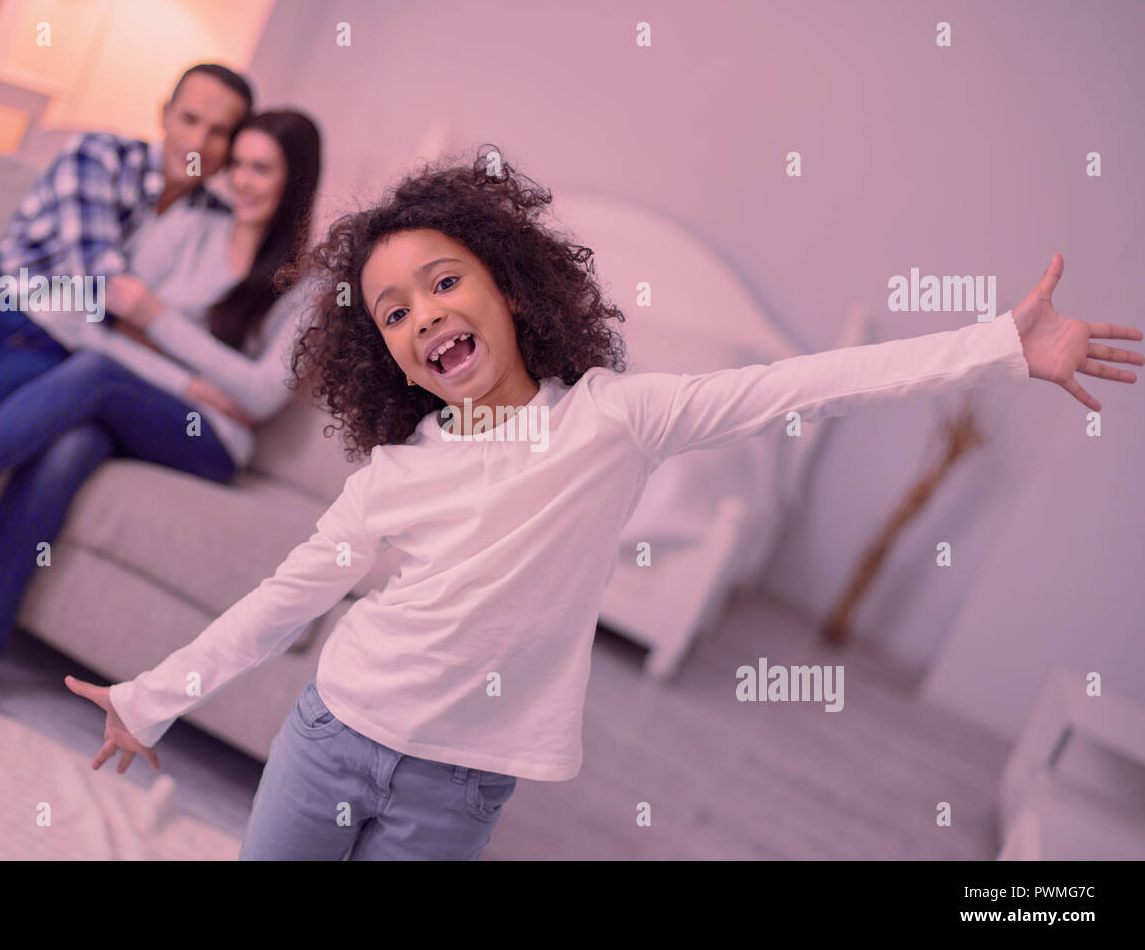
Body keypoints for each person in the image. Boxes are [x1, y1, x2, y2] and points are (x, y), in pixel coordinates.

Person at [67, 148, 1138, 860]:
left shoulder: (617, 418)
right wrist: (154, 694)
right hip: (328, 732)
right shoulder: (397, 473)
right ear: (382, 351)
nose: (423, 316)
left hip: (459, 785)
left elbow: (807, 381)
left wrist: (1001, 345)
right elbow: (286, 596)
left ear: (506, 285)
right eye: (393, 311)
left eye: (443, 282)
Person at [0, 109, 323, 704]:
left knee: (96, 377)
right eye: (240, 164)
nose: (244, 181)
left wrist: (157, 320)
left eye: (264, 168)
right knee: (69, 444)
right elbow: (98, 327)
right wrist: (188, 382)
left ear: (295, 179)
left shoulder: (310, 282)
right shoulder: (187, 228)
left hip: (215, 439)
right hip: (145, 403)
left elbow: (258, 395)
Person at [0, 61, 252, 580]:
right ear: (165, 115)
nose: (199, 141)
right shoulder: (100, 155)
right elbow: (102, 289)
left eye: (220, 132)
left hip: (53, 348)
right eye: (190, 119)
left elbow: (148, 317)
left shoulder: (216, 224)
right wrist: (152, 326)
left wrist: (153, 324)